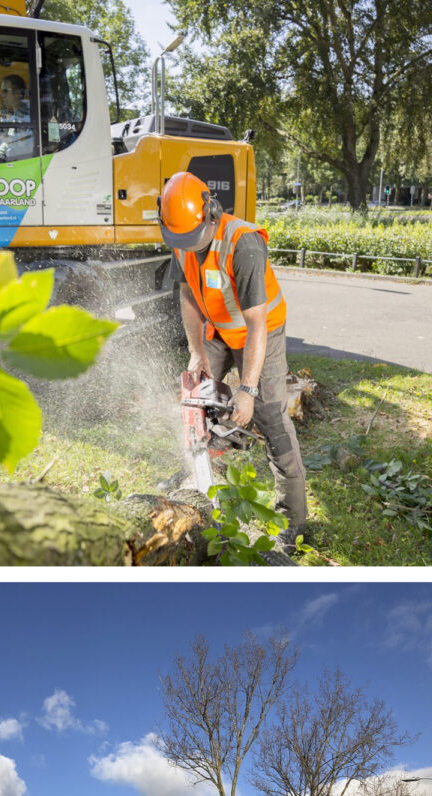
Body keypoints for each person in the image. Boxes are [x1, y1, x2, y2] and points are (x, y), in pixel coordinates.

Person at [159, 170, 306, 554]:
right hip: (220, 328)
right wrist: (196, 351)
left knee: (270, 415)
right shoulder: (181, 239)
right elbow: (189, 296)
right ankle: (203, 481)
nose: (189, 246)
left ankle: (294, 521)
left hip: (261, 333)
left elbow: (256, 322)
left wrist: (247, 389)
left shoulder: (244, 244)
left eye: (194, 238)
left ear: (210, 212)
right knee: (202, 403)